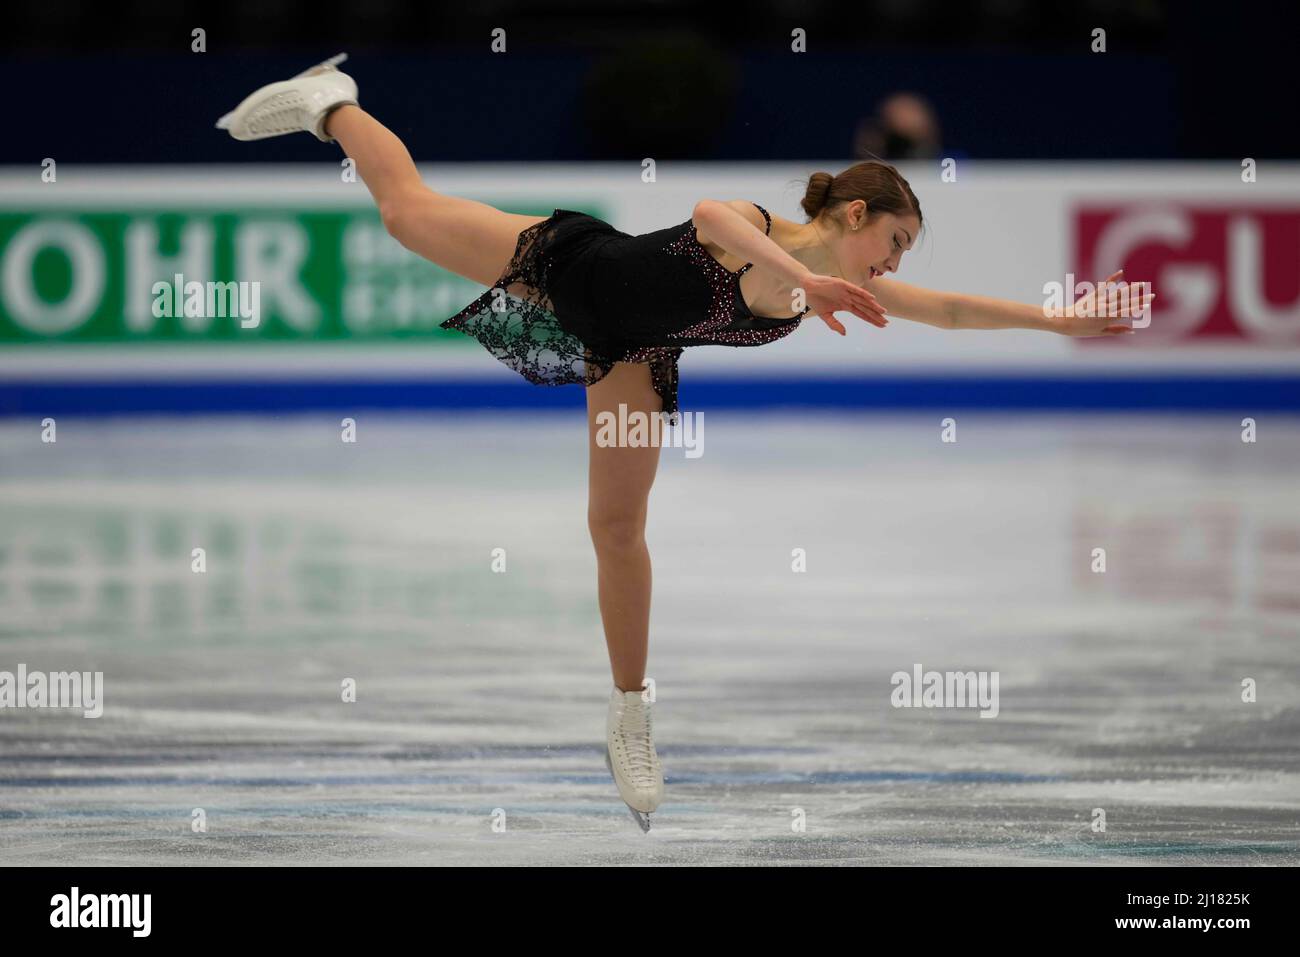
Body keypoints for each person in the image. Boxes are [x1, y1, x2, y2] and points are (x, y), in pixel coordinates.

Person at [217, 55, 1151, 830]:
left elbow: (946, 310)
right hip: (568, 268)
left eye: (902, 257)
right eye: (895, 242)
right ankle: (333, 103)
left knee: (616, 528)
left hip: (633, 350)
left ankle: (630, 713)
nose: (896, 268)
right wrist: (805, 280)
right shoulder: (759, 231)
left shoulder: (839, 283)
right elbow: (707, 213)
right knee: (405, 214)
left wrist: (1057, 322)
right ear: (856, 217)